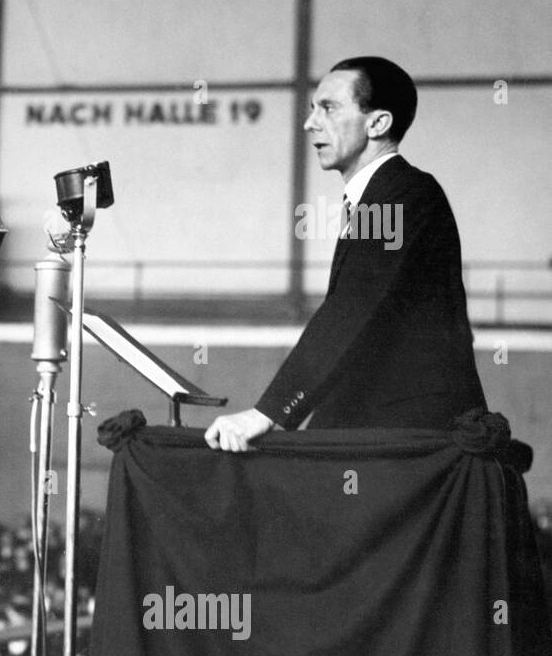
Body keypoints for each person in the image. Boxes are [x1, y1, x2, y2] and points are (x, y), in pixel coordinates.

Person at [206, 56, 487, 451]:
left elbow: (352, 308)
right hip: (383, 426)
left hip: (413, 436)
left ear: (377, 123)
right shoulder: (377, 198)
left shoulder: (402, 194)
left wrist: (265, 413)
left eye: (329, 108)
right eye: (311, 110)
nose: (310, 123)